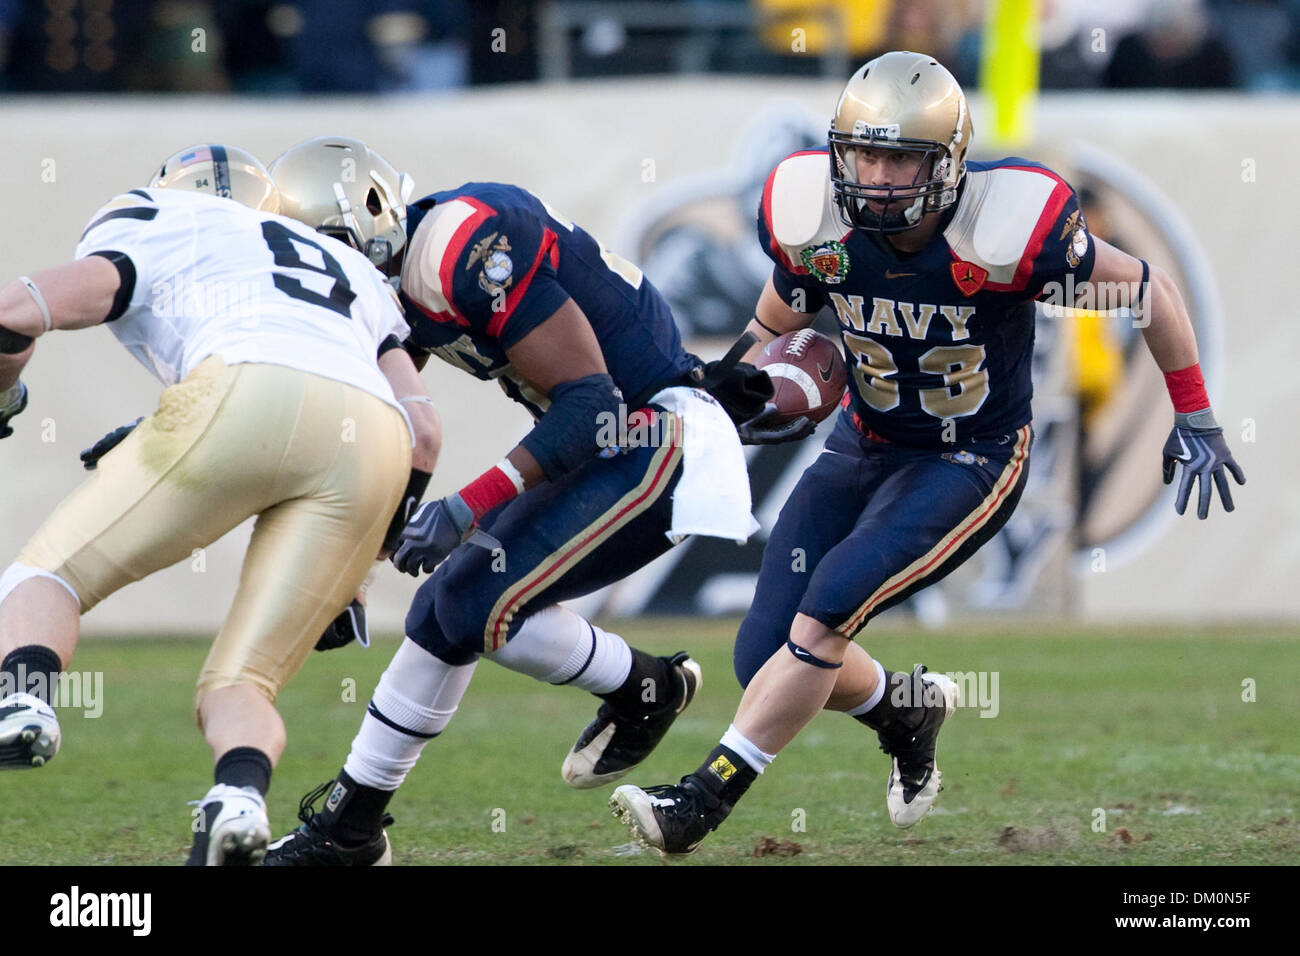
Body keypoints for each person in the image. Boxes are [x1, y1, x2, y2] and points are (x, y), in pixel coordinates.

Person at [611, 50, 1246, 854]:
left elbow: (1148, 289)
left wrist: (1194, 412)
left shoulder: (1010, 231)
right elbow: (775, 323)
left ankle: (703, 799)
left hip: (970, 456)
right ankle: (906, 709)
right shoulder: (817, 216)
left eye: (898, 157)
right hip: (864, 441)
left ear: (947, 164)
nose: (874, 176)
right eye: (863, 153)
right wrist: (736, 388)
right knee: (762, 651)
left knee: (829, 606)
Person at [260, 137, 767, 865]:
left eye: (330, 250)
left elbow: (591, 402)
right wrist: (354, 567)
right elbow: (392, 424)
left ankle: (645, 688)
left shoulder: (461, 246)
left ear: (371, 216)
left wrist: (468, 506)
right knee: (443, 609)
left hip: (656, 433)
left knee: (471, 604)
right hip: (606, 441)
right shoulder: (399, 279)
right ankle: (350, 828)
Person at [0, 144, 440, 865]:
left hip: (241, 393)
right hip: (373, 438)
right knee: (242, 681)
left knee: (44, 576)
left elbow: (17, 312)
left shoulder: (160, 217)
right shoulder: (352, 267)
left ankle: (23, 700)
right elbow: (423, 431)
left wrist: (5, 393)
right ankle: (237, 798)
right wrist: (357, 572)